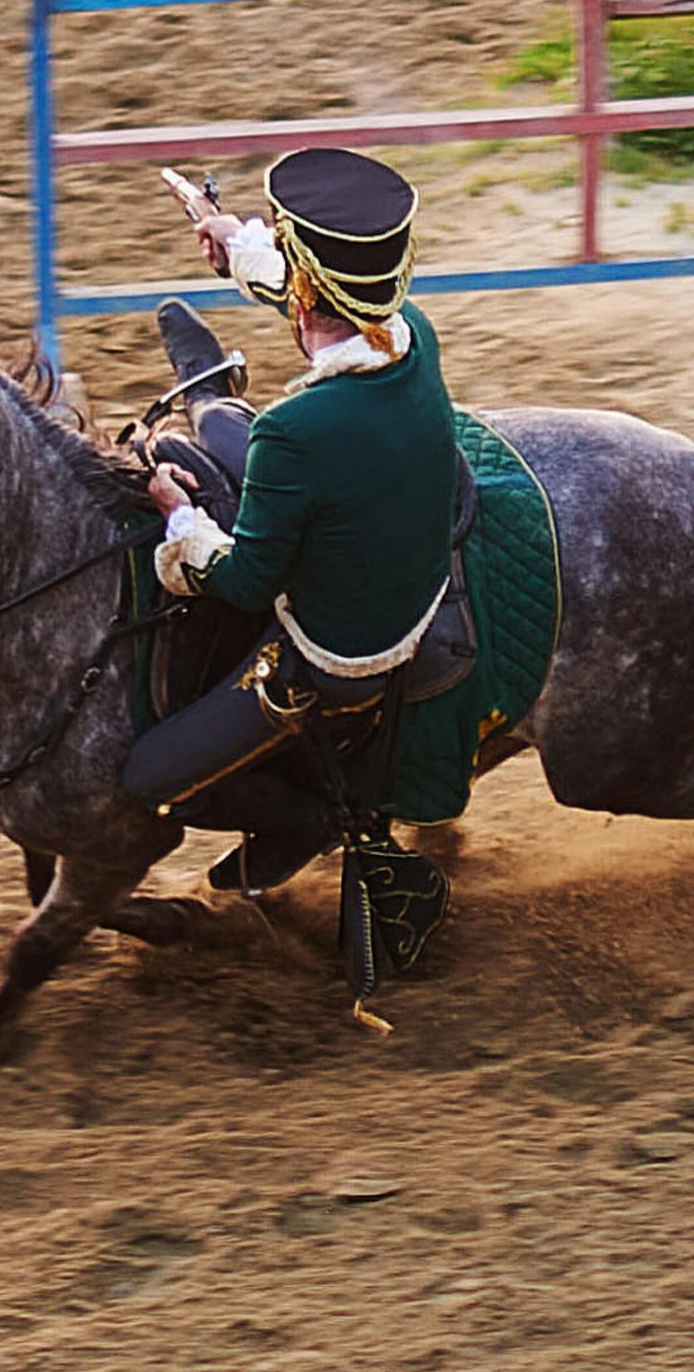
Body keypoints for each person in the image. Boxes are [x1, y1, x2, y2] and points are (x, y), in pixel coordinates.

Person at [121, 146, 460, 894]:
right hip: (403, 550)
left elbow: (243, 583)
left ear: (304, 292)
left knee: (145, 775)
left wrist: (179, 518)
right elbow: (320, 298)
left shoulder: (295, 429)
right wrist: (229, 236)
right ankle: (209, 400)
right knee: (220, 436)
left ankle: (305, 822)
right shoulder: (410, 332)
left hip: (336, 654)